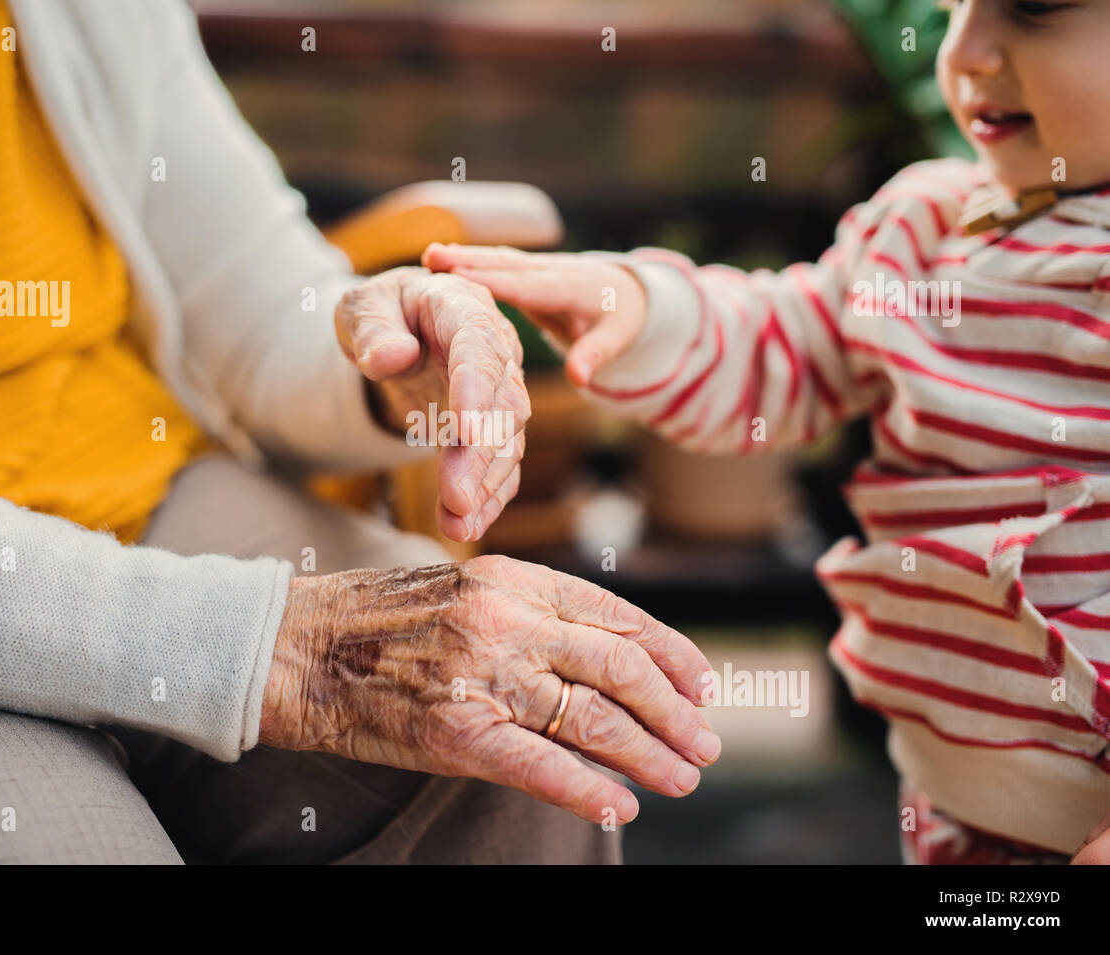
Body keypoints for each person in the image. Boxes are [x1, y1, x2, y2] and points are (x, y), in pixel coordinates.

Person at [0, 0, 721, 864]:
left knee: (520, 747)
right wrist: (273, 648)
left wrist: (384, 365)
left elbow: (245, 296)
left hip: (143, 488)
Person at [426, 0, 1110, 863]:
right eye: (953, 5)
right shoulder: (928, 229)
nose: (965, 51)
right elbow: (789, 341)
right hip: (959, 814)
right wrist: (638, 307)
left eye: (1031, 10)